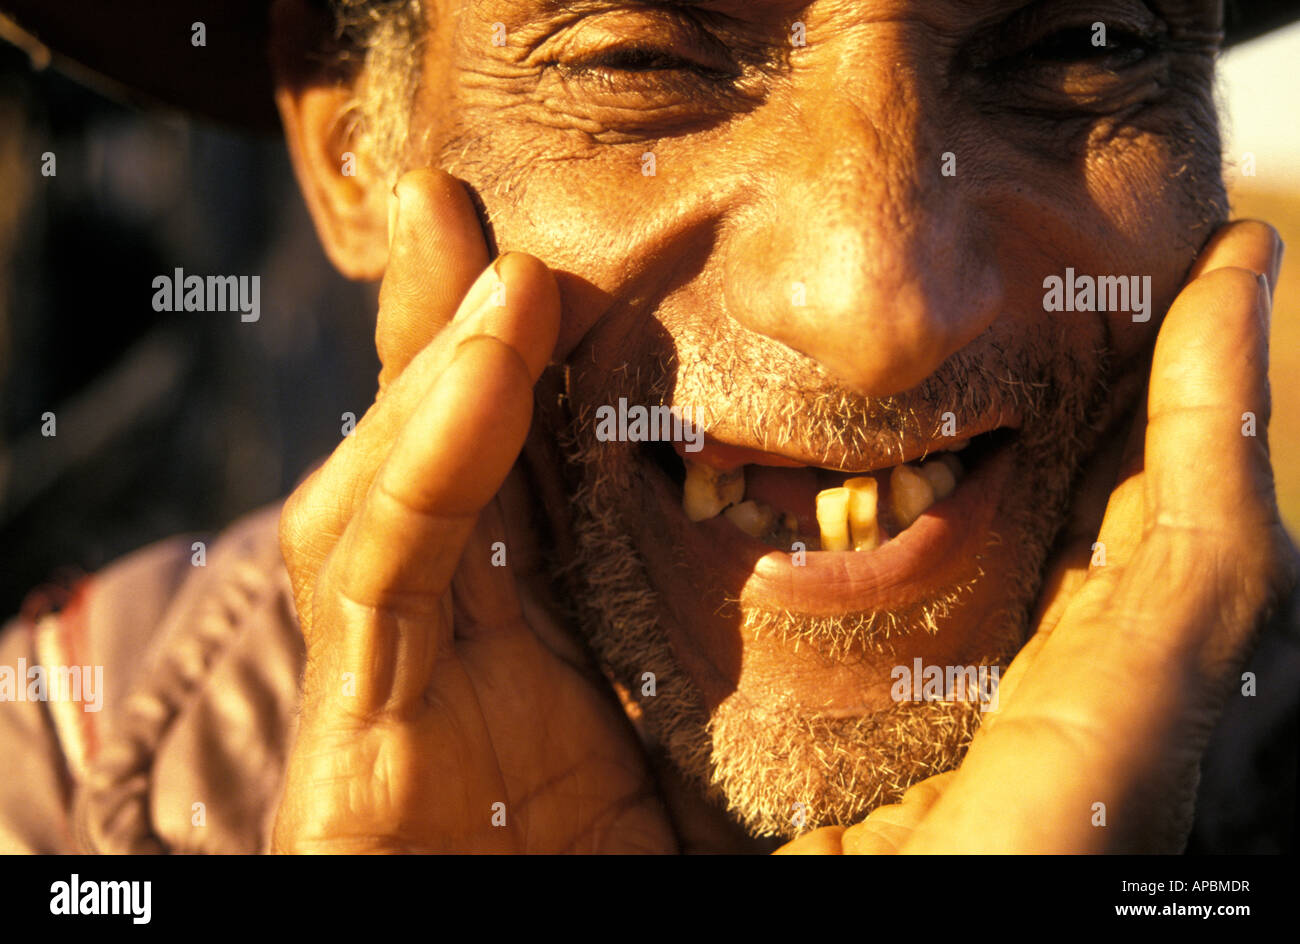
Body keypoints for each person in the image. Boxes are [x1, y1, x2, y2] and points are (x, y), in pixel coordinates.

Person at [0, 0, 1297, 854]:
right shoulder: (68, 798)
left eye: (1089, 37)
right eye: (638, 60)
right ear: (356, 157)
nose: (880, 311)